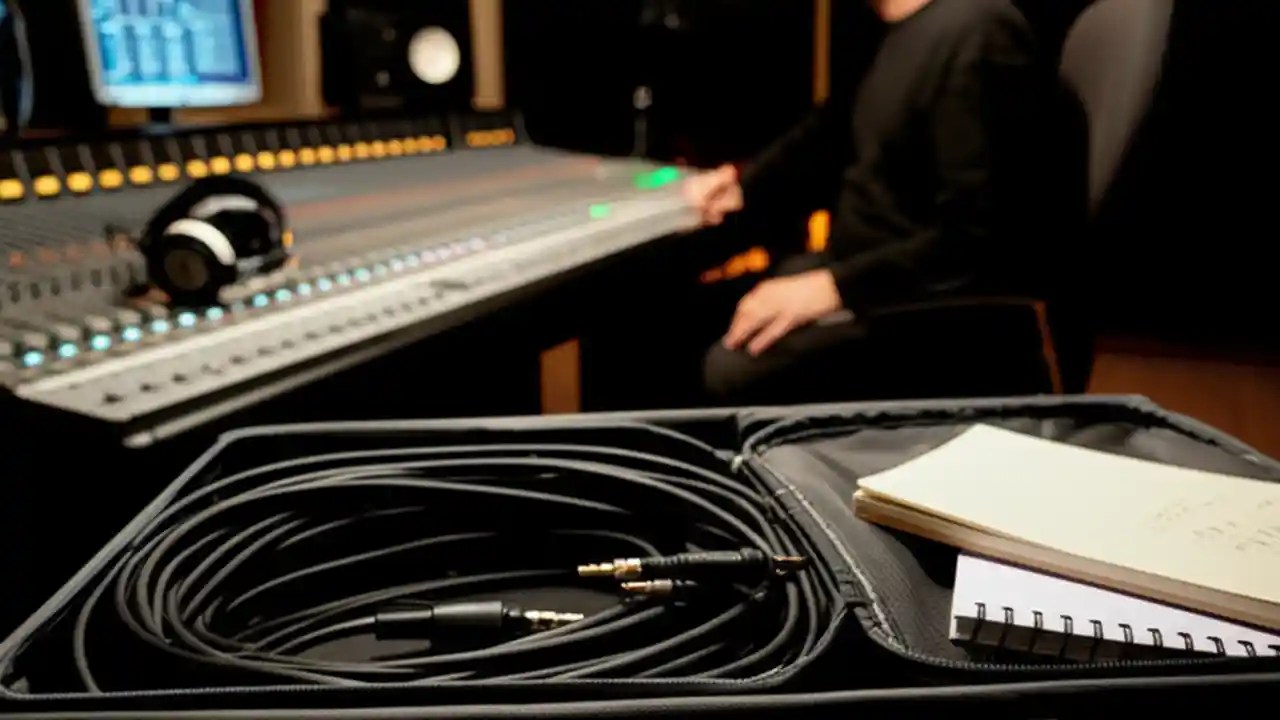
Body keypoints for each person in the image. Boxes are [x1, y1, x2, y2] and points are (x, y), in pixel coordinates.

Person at [684, 0, 1070, 404]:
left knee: (722, 366)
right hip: (866, 276)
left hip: (924, 313)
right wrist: (743, 185)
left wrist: (835, 288)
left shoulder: (980, 34)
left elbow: (981, 240)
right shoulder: (894, 32)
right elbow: (829, 134)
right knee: (680, 317)